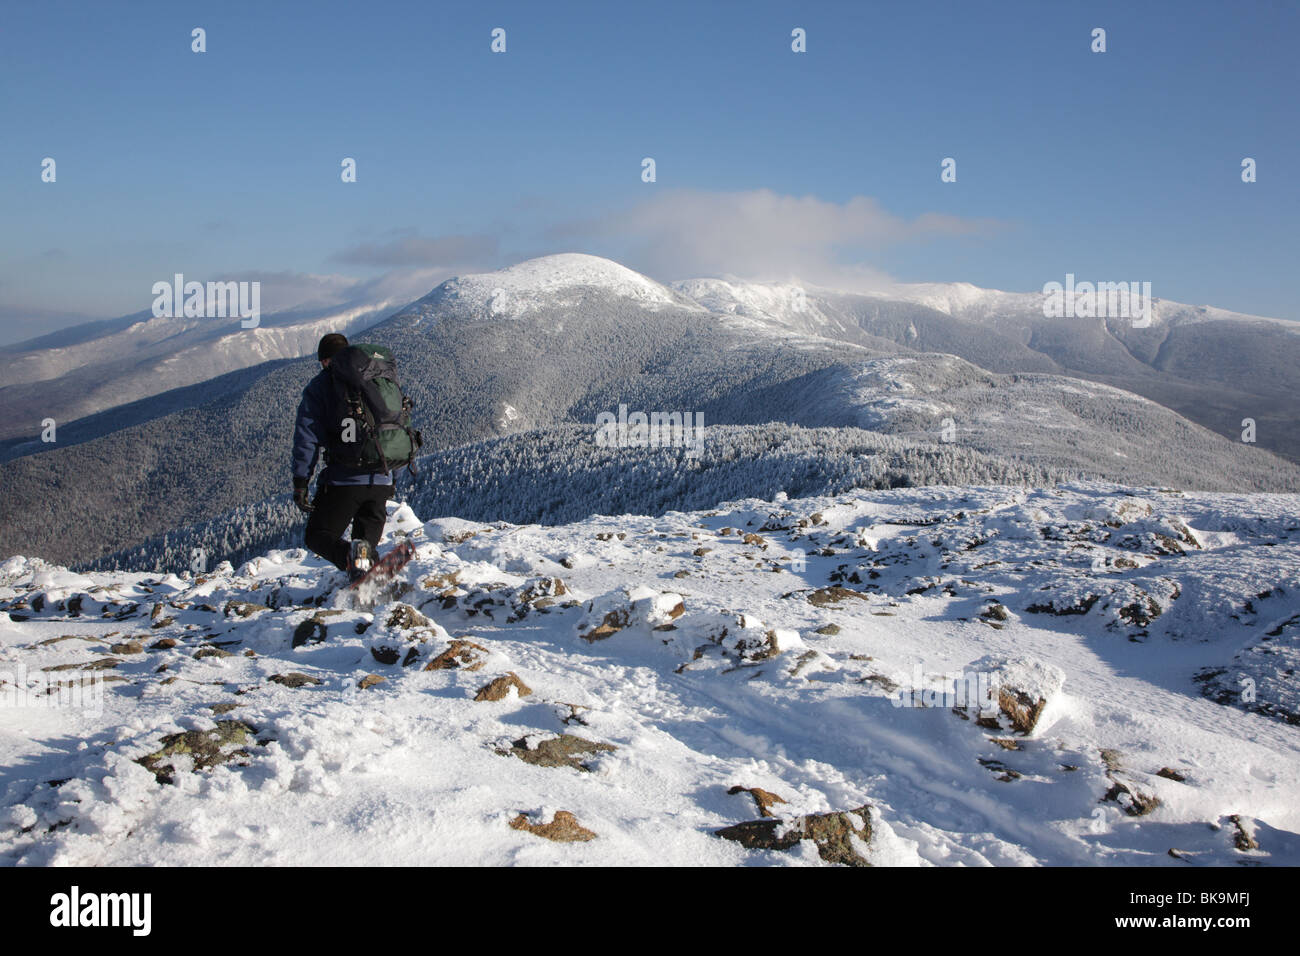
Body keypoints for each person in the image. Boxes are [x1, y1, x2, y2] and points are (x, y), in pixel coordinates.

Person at [292, 333, 392, 580]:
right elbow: (393, 427)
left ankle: (353, 560)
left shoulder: (322, 386)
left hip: (345, 479)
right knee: (364, 546)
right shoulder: (377, 379)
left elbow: (307, 437)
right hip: (382, 478)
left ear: (325, 361)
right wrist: (391, 473)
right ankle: (366, 577)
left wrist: (301, 481)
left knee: (317, 535)